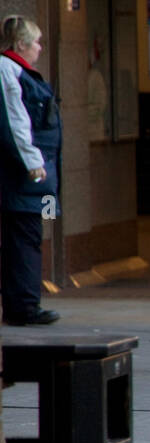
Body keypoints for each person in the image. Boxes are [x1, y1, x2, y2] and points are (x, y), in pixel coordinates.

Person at [0, 15, 59, 325]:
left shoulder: (18, 71)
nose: (40, 47)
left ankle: (22, 304)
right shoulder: (9, 71)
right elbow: (16, 122)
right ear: (21, 44)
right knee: (25, 239)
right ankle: (24, 307)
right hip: (23, 177)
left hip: (27, 176)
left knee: (23, 238)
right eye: (36, 41)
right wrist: (34, 162)